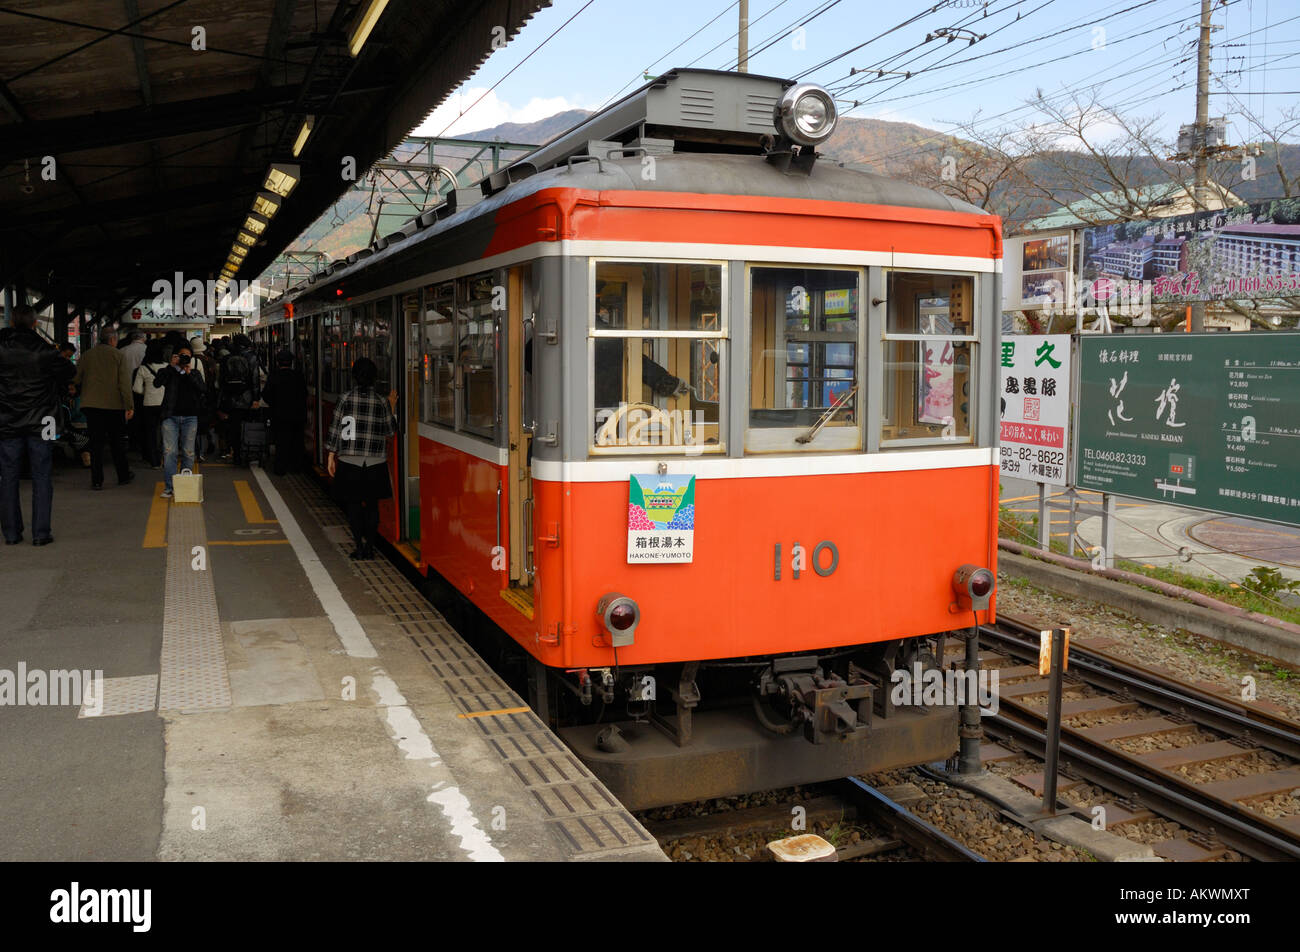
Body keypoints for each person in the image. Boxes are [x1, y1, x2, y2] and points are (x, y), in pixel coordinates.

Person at [0, 305, 75, 546]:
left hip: (7, 419)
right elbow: (69, 371)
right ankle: (41, 533)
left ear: (11, 322)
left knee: (8, 476)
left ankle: (11, 533)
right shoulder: (46, 351)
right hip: (43, 420)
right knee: (42, 475)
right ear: (35, 323)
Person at [325, 357, 398, 560]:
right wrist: (392, 407)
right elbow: (390, 430)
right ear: (375, 378)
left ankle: (358, 547)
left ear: (355, 377)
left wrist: (331, 455)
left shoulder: (345, 398)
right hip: (375, 461)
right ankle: (370, 548)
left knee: (354, 506)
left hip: (349, 461)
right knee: (372, 506)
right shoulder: (381, 401)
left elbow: (335, 428)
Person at [74, 325, 135, 490]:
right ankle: (123, 476)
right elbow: (124, 384)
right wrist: (129, 405)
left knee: (96, 444)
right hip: (114, 406)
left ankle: (96, 480)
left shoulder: (87, 355)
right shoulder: (118, 355)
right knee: (117, 443)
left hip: (91, 406)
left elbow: (76, 379)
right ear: (113, 339)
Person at [152, 344, 206, 499]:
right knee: (170, 452)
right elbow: (157, 383)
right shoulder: (167, 372)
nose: (184, 359)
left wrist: (188, 373)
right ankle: (169, 487)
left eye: (187, 356)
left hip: (191, 416)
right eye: (181, 356)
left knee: (189, 453)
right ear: (175, 356)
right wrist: (171, 366)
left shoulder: (194, 373)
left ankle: (185, 486)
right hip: (170, 416)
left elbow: (202, 389)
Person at [263, 349, 307, 475]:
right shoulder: (298, 376)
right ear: (291, 362)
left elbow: (266, 395)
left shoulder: (274, 376)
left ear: (278, 362)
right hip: (297, 416)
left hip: (279, 416)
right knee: (297, 442)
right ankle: (297, 468)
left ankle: (280, 468)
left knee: (281, 443)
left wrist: (274, 404)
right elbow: (304, 394)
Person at [218, 335, 259, 464]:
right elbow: (255, 380)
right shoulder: (251, 358)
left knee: (233, 427)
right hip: (246, 397)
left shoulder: (226, 359)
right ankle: (246, 452)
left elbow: (221, 382)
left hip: (230, 399)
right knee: (246, 426)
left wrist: (221, 402)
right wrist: (256, 399)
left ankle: (235, 454)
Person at [132, 339, 168, 469]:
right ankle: (167, 460)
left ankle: (155, 462)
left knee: (151, 434)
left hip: (149, 404)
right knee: (166, 433)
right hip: (165, 404)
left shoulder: (143, 368)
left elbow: (136, 389)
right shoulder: (167, 366)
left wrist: (146, 392)